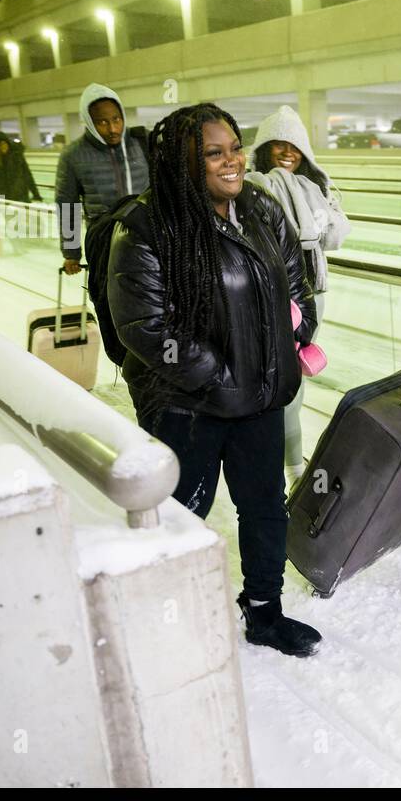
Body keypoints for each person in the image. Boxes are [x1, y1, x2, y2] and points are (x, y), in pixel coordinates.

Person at [106, 102, 322, 657]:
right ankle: (164, 614)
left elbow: (294, 279)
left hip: (262, 396)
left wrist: (295, 333)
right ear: (184, 162)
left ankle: (264, 612)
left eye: (234, 148)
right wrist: (218, 376)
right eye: (214, 153)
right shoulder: (148, 225)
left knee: (265, 507)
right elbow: (145, 326)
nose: (233, 161)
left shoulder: (258, 206)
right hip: (190, 404)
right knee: (183, 511)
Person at [246, 105, 352, 484]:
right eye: (278, 145)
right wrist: (73, 247)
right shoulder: (254, 185)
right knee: (281, 379)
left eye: (294, 146)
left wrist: (321, 220)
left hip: (312, 295)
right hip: (275, 300)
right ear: (264, 148)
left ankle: (288, 462)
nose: (287, 153)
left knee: (297, 375)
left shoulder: (315, 188)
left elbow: (339, 232)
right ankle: (286, 464)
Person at [55, 83, 149, 274]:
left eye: (116, 119)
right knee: (108, 299)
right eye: (103, 122)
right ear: (89, 122)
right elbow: (67, 205)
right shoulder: (73, 155)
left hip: (147, 239)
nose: (113, 128)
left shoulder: (141, 142)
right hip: (104, 245)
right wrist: (71, 253)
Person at [0, 132, 42, 202]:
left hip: (19, 194)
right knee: (2, 212)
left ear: (8, 143)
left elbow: (27, 174)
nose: (3, 146)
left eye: (4, 143)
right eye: (0, 145)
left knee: (21, 212)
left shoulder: (17, 155)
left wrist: (36, 194)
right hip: (0, 195)